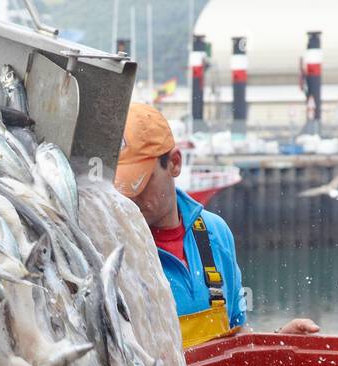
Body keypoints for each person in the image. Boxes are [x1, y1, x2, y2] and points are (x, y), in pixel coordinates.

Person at [114, 104, 319, 347]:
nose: (130, 197)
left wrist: (276, 343)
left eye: (140, 182)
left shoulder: (214, 234)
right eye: (122, 186)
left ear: (174, 163)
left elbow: (237, 334)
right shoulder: (112, 251)